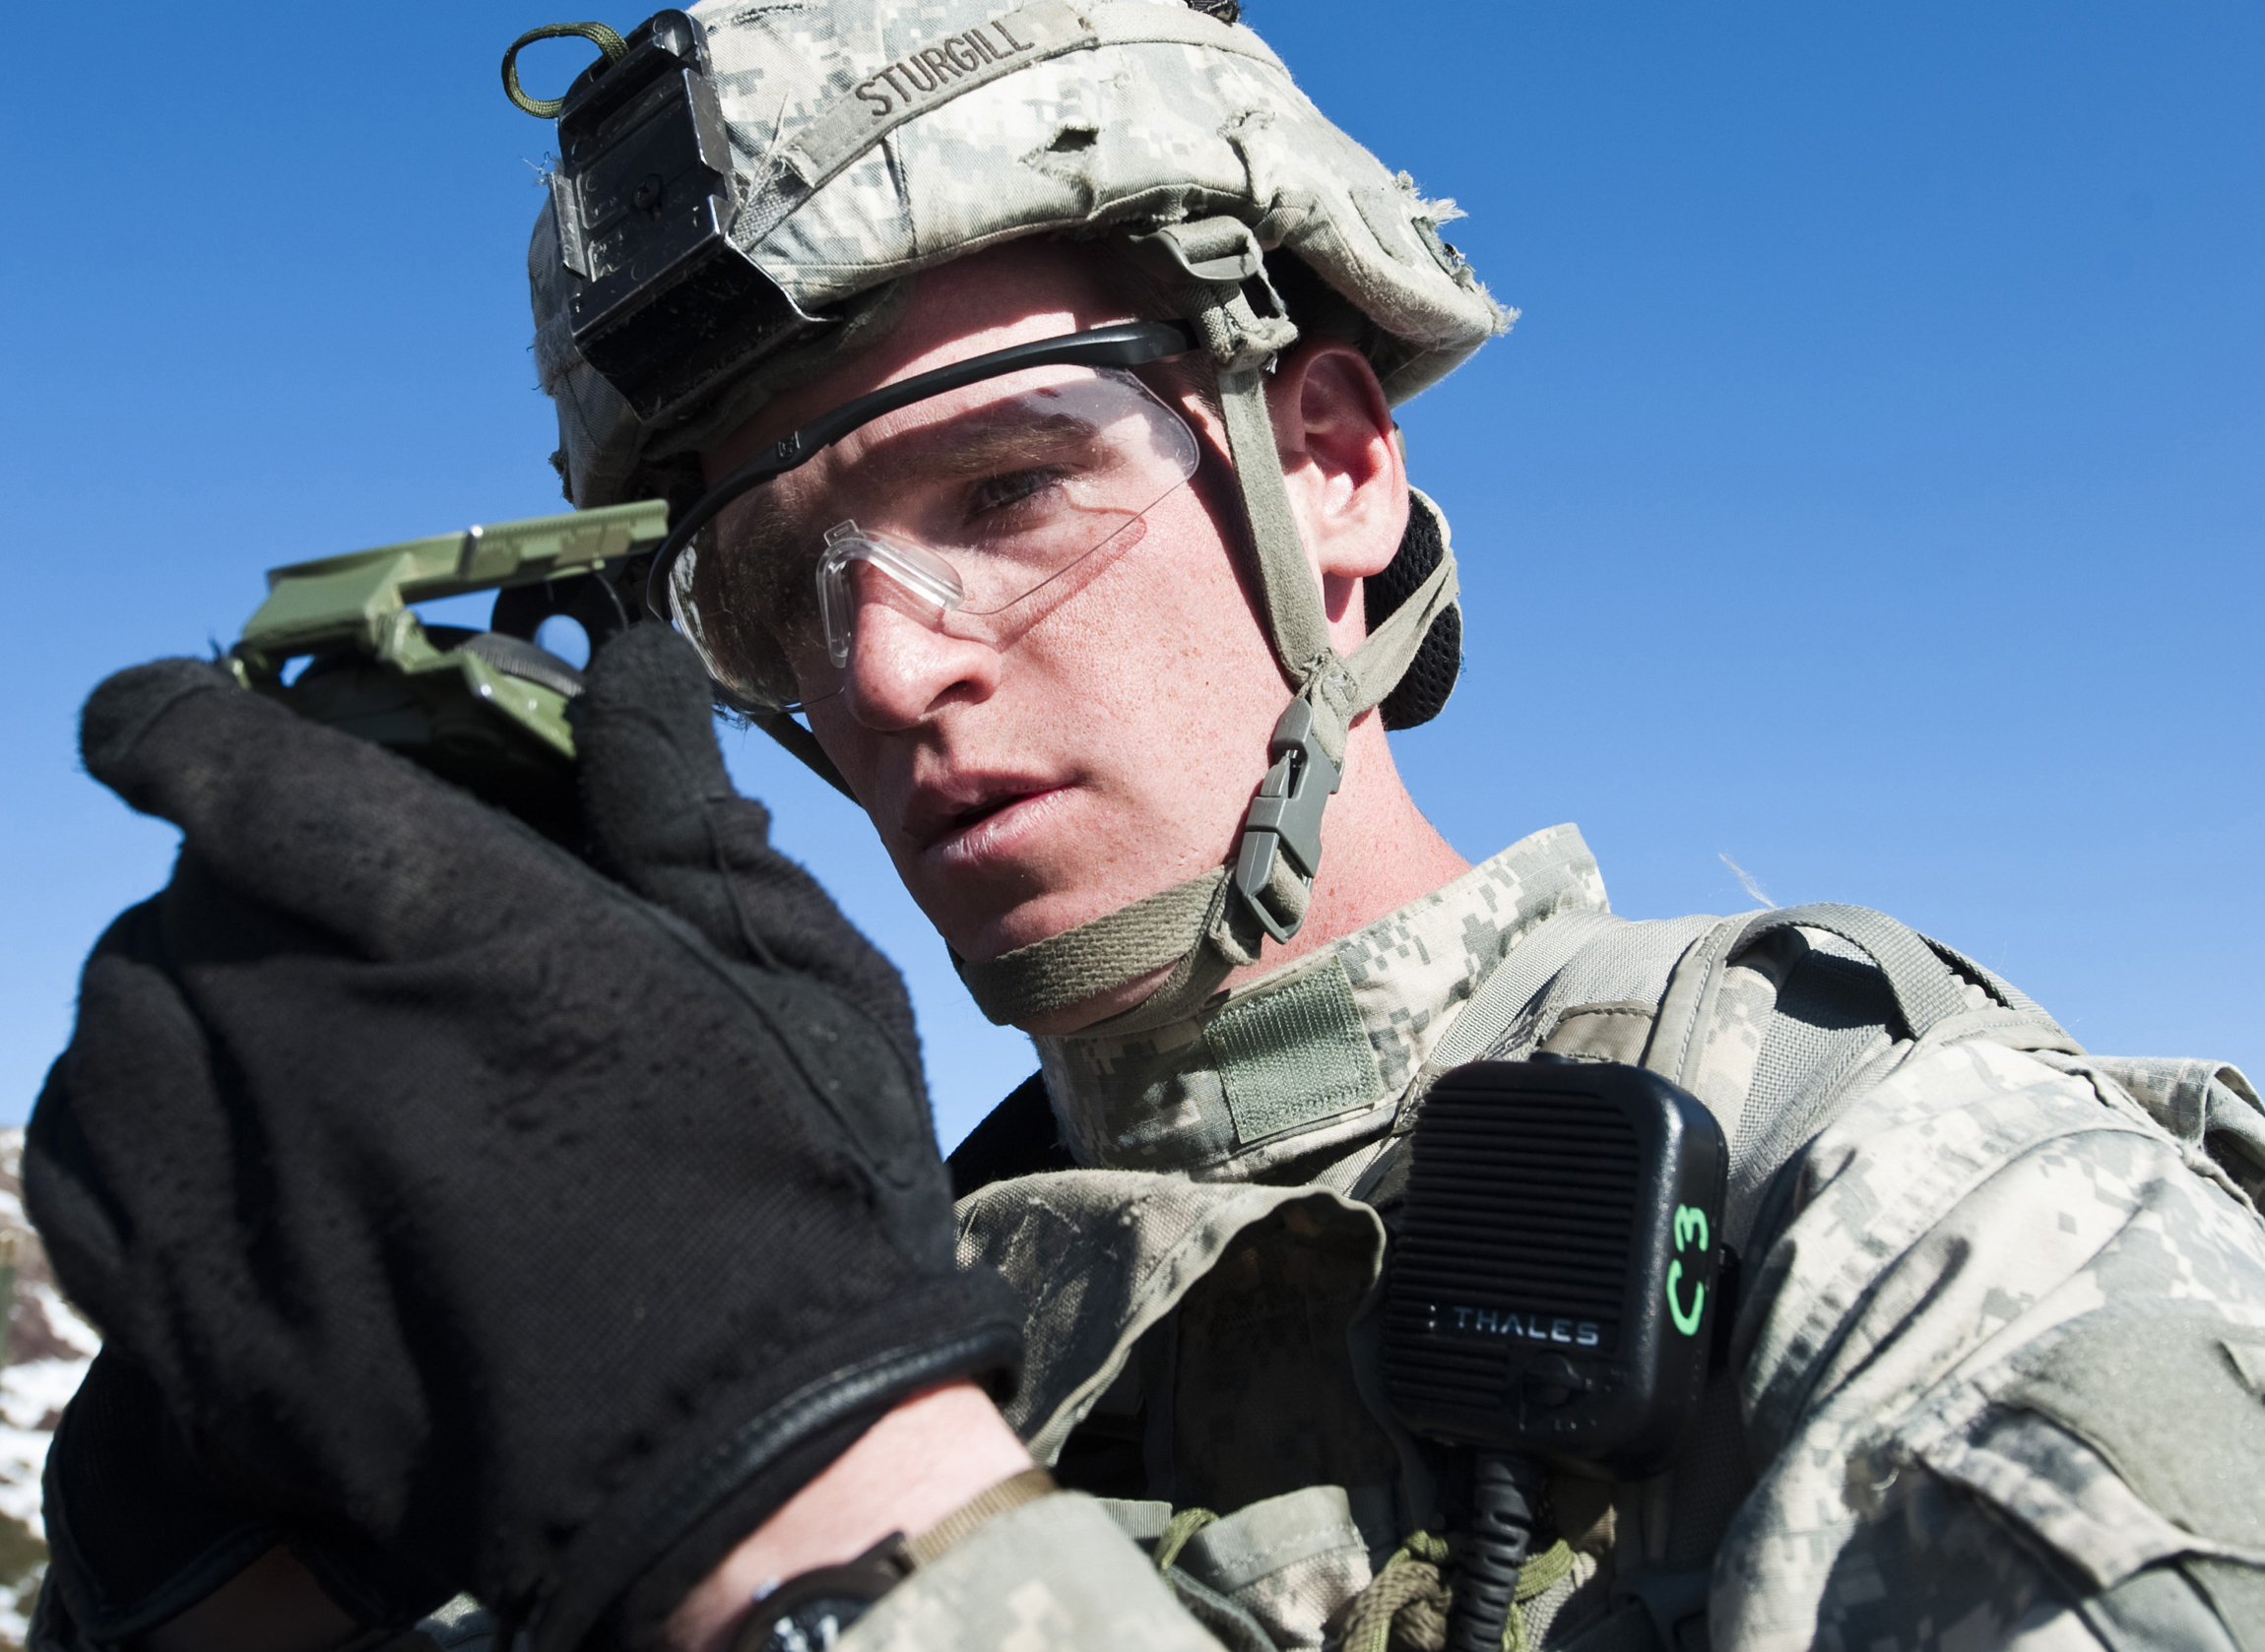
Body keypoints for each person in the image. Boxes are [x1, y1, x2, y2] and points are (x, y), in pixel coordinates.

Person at [24, 2, 2265, 1650]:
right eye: (773, 597)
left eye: (1004, 489)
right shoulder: (914, 1262)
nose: (881, 672)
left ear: (1333, 465)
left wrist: (795, 1477)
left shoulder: (1918, 1204)